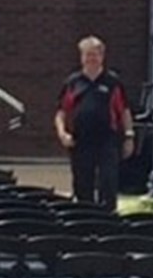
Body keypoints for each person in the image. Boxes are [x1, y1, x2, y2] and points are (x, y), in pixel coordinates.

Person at [55, 36, 134, 207]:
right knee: (82, 185)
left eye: (95, 55)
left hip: (107, 140)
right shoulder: (73, 83)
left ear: (102, 56)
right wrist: (62, 133)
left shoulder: (113, 82)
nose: (91, 59)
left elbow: (124, 111)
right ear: (81, 57)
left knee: (108, 182)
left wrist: (129, 136)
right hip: (80, 141)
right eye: (87, 55)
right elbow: (61, 112)